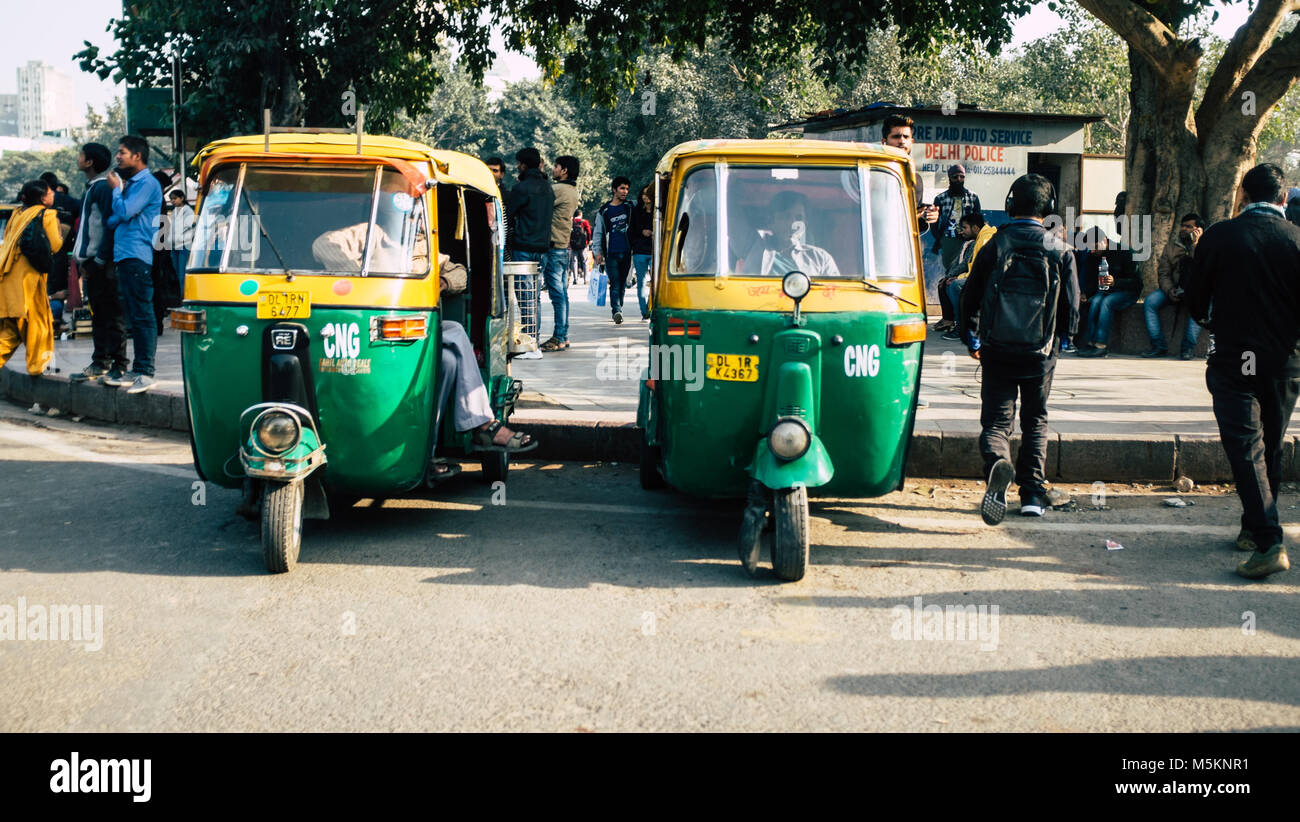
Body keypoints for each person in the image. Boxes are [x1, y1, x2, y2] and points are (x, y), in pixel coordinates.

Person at [1185, 163, 1300, 580]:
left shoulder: (1220, 236)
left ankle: (1269, 540)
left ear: (1244, 197)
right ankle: (1253, 529)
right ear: (1283, 198)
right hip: (1285, 363)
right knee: (1268, 444)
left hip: (1235, 359)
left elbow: (1197, 302)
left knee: (1247, 447)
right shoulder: (1296, 239)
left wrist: (1215, 318)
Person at [959, 173, 1079, 524]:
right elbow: (1073, 306)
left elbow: (969, 296)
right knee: (1035, 419)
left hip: (996, 348)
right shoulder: (1061, 249)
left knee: (997, 420)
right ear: (1049, 208)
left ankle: (998, 461)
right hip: (1040, 353)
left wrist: (972, 338)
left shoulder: (996, 244)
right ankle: (1031, 496)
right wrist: (1062, 340)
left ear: (1011, 205)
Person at [428, 253, 536, 482]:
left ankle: (427, 452)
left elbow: (460, 274)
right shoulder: (372, 237)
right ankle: (483, 424)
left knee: (448, 360)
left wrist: (442, 283)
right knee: (456, 332)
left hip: (423, 325)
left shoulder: (420, 242)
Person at [103, 135, 163, 394]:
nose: (117, 157)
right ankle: (138, 369)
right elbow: (112, 221)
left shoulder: (146, 183)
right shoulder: (132, 185)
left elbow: (124, 213)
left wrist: (116, 190)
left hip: (137, 255)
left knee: (142, 315)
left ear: (137, 156)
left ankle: (146, 371)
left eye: (122, 152)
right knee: (135, 316)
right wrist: (122, 201)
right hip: (126, 256)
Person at [69, 142, 128, 383]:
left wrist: (100, 259)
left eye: (81, 155)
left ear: (90, 162)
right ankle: (100, 361)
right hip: (92, 263)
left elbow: (109, 225)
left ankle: (119, 364)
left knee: (111, 313)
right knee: (100, 314)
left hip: (102, 263)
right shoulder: (92, 188)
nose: (78, 158)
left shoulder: (102, 188)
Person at [0, 181, 62, 375]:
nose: (53, 195)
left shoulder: (17, 214)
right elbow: (55, 245)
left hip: (8, 279)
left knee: (11, 332)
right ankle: (40, 365)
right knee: (38, 324)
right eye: (51, 192)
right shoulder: (47, 214)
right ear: (43, 198)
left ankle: (42, 364)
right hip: (28, 280)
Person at [1141, 213, 1204, 359]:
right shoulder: (1172, 246)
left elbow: (1203, 268)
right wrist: (1169, 290)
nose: (1183, 229)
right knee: (1150, 302)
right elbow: (1163, 272)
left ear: (1198, 230)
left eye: (1188, 226)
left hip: (1196, 290)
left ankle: (1188, 348)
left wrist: (1195, 245)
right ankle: (1158, 345)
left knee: (1200, 306)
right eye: (1182, 225)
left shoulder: (1206, 245)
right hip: (1174, 288)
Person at [739, 190, 839, 277]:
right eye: (786, 216)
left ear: (805, 224)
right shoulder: (752, 248)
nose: (792, 223)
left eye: (799, 218)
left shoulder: (821, 257)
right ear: (771, 222)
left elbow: (833, 293)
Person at [1074, 229, 1139, 358]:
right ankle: (1090, 342)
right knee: (1095, 301)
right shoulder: (1092, 256)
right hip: (1104, 291)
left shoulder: (1124, 252)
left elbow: (1136, 282)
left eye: (1095, 247)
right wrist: (1085, 293)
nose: (1093, 251)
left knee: (1106, 303)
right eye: (1090, 248)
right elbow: (1090, 278)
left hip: (1127, 292)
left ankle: (1101, 345)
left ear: (1105, 241)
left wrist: (1116, 282)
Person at [541, 155, 580, 352]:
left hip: (553, 246)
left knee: (557, 294)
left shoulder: (558, 190)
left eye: (556, 166)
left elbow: (538, 204)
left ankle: (559, 336)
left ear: (564, 170)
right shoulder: (572, 190)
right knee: (561, 294)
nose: (553, 169)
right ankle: (562, 335)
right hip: (562, 246)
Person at [936, 212, 994, 337]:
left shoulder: (985, 239)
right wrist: (953, 276)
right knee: (949, 283)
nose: (962, 231)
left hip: (988, 280)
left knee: (955, 285)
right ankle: (951, 322)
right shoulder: (980, 238)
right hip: (983, 278)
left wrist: (958, 278)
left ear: (975, 228)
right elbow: (971, 265)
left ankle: (963, 327)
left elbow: (979, 268)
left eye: (964, 228)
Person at [881, 113, 938, 228]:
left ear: (912, 141)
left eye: (906, 137)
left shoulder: (916, 179)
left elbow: (915, 223)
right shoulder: (873, 174)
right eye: (896, 136)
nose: (901, 141)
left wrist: (928, 215)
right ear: (884, 141)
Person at [592, 176, 634, 324]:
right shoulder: (604, 211)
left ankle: (619, 307)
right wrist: (597, 252)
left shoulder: (630, 207)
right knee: (615, 283)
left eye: (627, 189)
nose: (625, 191)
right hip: (611, 253)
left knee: (623, 283)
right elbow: (598, 232)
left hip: (628, 251)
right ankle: (616, 310)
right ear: (614, 190)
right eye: (622, 188)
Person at [930, 164, 981, 270]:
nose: (959, 179)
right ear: (949, 178)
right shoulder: (941, 198)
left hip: (968, 240)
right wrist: (940, 239)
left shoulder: (973, 197)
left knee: (967, 269)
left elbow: (978, 221)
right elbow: (934, 223)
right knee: (950, 270)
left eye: (962, 177)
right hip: (949, 240)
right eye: (955, 177)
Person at [629, 183, 654, 320]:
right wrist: (641, 233)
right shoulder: (636, 211)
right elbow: (631, 230)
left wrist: (652, 233)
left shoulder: (660, 211)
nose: (646, 197)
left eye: (649, 194)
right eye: (644, 194)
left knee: (656, 283)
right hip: (639, 251)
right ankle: (644, 311)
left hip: (655, 251)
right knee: (641, 283)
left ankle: (652, 307)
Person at [168, 189, 195, 294]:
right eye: (171, 199)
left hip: (184, 245)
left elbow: (190, 227)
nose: (173, 201)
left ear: (182, 198)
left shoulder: (188, 211)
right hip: (174, 246)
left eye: (175, 198)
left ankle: (184, 296)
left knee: (182, 274)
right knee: (177, 273)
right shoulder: (174, 212)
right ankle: (181, 295)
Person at [569, 209, 591, 284]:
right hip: (583, 244)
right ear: (581, 214)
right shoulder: (584, 222)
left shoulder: (571, 222)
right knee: (585, 261)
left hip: (573, 244)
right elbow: (588, 232)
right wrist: (588, 241)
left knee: (574, 261)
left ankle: (575, 279)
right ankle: (585, 279)